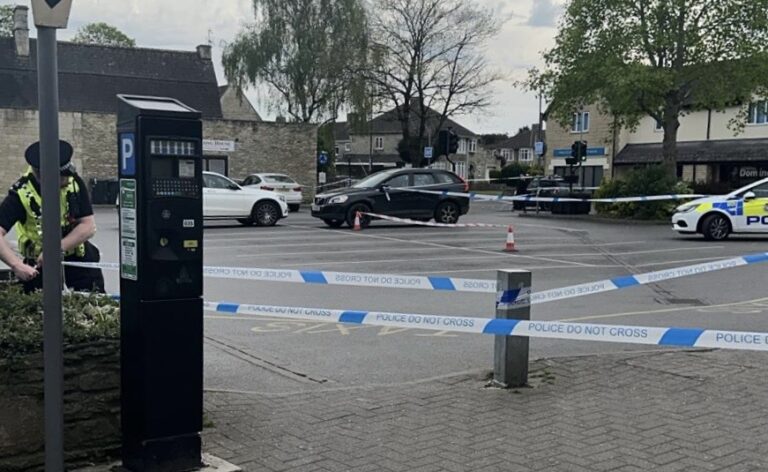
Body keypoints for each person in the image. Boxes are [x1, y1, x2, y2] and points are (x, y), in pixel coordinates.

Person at [0, 140, 105, 293]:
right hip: (38, 268)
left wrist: (56, 250)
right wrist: (16, 265)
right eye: (62, 177)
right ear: (44, 177)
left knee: (95, 310)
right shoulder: (20, 194)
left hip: (79, 264)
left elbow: (88, 226)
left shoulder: (74, 182)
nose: (69, 180)